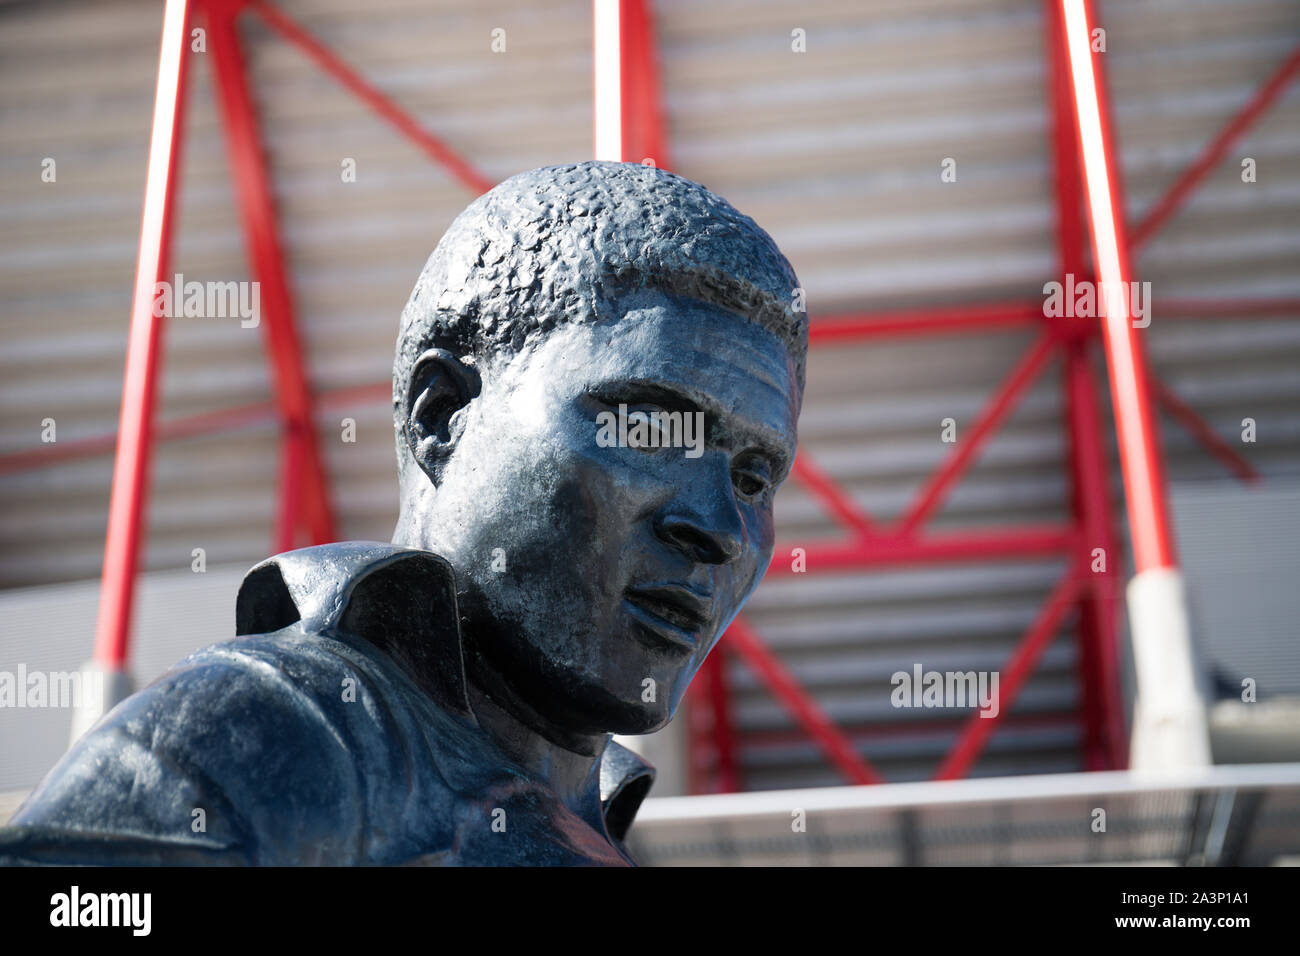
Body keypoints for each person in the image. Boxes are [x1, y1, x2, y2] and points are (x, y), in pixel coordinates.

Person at [0, 160, 807, 866]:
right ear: (442, 416)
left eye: (753, 478)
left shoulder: (596, 822)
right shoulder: (263, 735)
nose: (719, 529)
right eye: (648, 428)